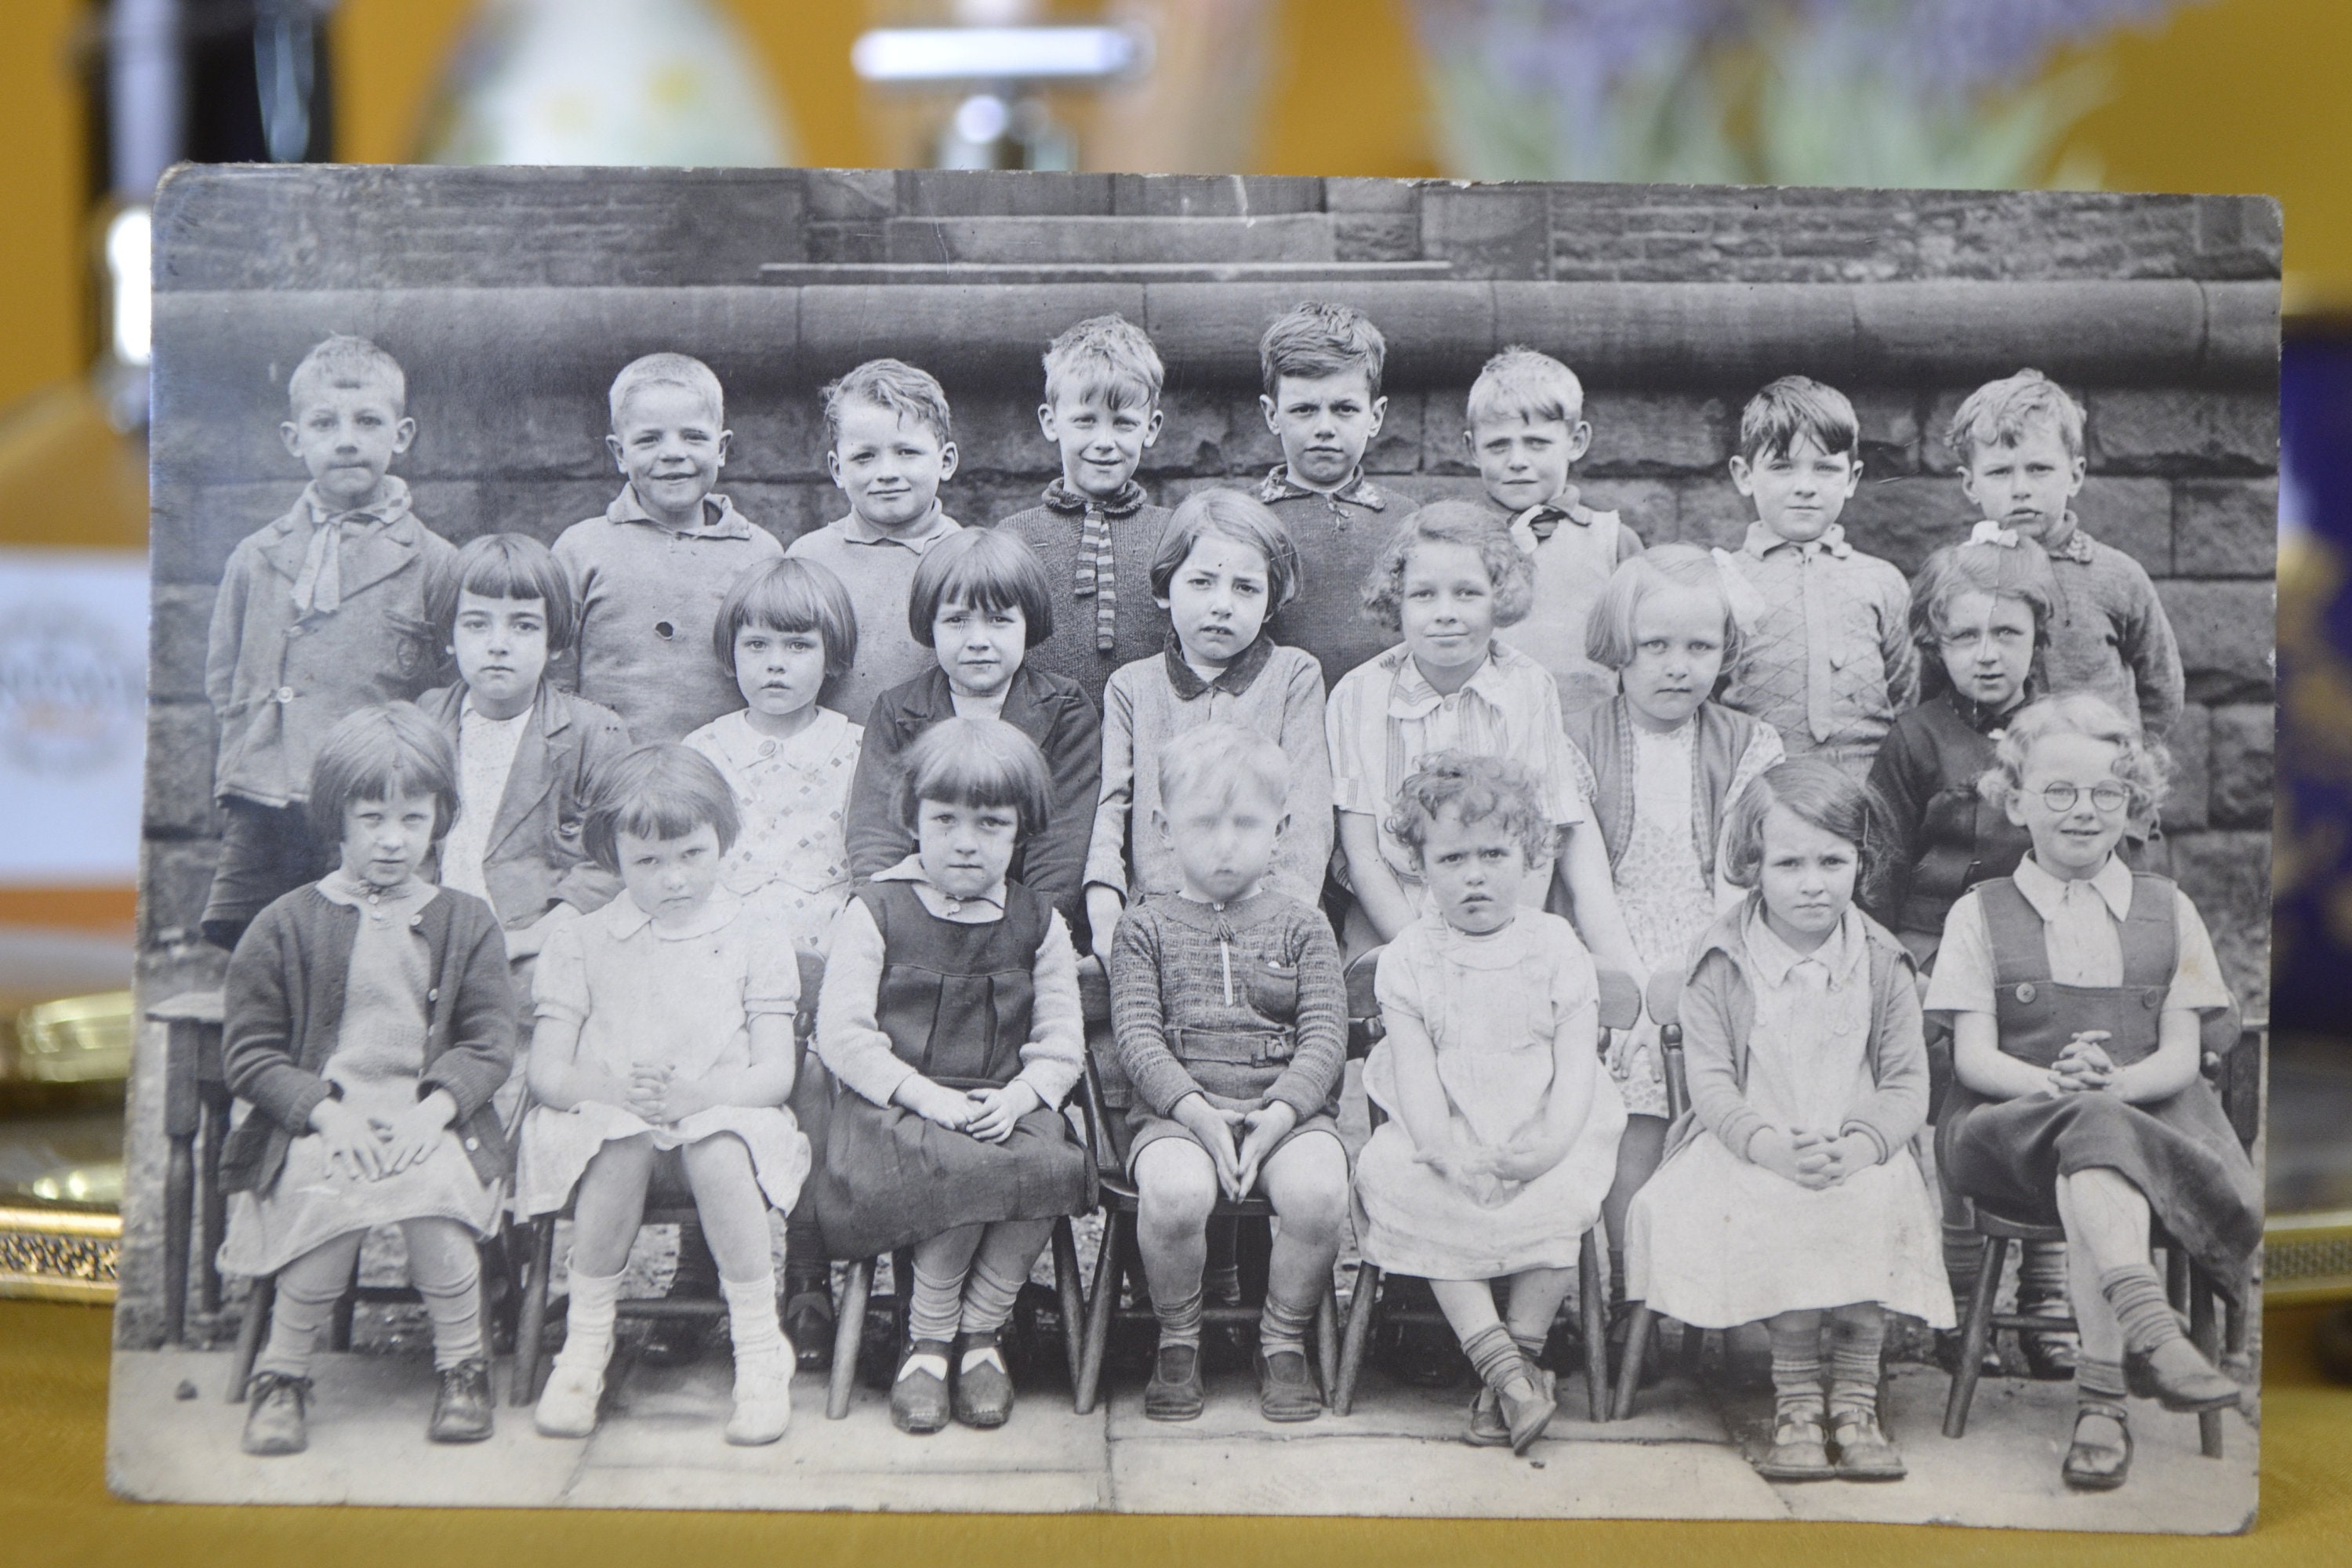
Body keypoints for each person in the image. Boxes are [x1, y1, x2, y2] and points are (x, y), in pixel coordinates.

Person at [1925, 694, 2258, 1492]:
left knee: (2100, 1144)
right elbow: (1975, 1057)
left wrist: (2113, 1083)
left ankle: (2104, 1401)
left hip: (2148, 1123)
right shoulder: (1980, 912)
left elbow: (2182, 1054)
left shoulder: (2167, 909)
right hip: (2010, 1127)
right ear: (2017, 800)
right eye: (2060, 792)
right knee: (2093, 1130)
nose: (2084, 811)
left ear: (2134, 802)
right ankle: (2144, 1338)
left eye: (2107, 792)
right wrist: (2057, 1083)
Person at [1627, 760, 1951, 1483]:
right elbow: (1710, 1084)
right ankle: (1799, 1401)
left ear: (1861, 862)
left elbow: (1905, 1084)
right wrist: (1768, 1144)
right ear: (1752, 865)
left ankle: (1857, 1403)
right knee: (1774, 1207)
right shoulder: (1721, 959)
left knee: (1872, 1201)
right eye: (1790, 863)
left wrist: (1863, 1143)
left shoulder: (1880, 961)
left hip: (1856, 1144)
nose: (1814, 882)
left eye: (1834, 862)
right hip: (1747, 1144)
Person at [216, 704, 515, 1456]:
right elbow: (250, 1055)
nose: (392, 839)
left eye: (413, 819)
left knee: (439, 1196)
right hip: (320, 1122)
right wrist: (325, 1114)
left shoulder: (466, 921)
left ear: (440, 819)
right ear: (336, 820)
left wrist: (434, 1112)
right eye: (372, 817)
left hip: (430, 1118)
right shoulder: (285, 922)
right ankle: (283, 1375)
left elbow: (488, 1044)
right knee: (327, 1189)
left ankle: (462, 1366)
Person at [518, 744, 808, 1447]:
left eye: (690, 854)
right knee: (620, 1140)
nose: (673, 879)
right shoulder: (582, 941)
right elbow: (548, 1073)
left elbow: (774, 1072)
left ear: (722, 842)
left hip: (725, 1115)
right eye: (647, 862)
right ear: (613, 857)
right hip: (606, 1124)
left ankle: (759, 1346)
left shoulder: (755, 932)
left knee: (713, 1143)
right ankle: (586, 1346)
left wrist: (699, 1096)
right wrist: (613, 1090)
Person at [811, 718, 1092, 1434]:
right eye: (945, 820)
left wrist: (1023, 1096)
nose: (965, 841)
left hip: (1004, 1105)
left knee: (1050, 1159)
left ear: (1020, 831)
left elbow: (1062, 1040)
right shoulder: (875, 910)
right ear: (912, 819)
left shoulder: (1038, 923)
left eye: (990, 823)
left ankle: (980, 1332)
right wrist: (927, 1096)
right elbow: (843, 1035)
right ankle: (930, 1342)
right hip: (895, 1110)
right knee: (965, 1161)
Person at [1352, 753, 1628, 1454]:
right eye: (1451, 858)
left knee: (1564, 1195)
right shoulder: (1410, 955)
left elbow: (1576, 1069)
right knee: (1407, 1183)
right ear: (1419, 865)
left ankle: (1522, 1357)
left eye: (1494, 853)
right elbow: (1413, 1072)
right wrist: (1442, 1148)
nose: (1474, 874)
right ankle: (1504, 1371)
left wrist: (1552, 1143)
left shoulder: (1555, 945)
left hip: (1544, 1117)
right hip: (1444, 1122)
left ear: (1531, 857)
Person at [1563, 545, 1781, 1337]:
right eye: (1656, 646)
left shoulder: (1746, 742)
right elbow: (1587, 883)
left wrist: (1695, 971)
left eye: (1701, 647)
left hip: (1716, 940)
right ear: (1619, 648)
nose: (1679, 667)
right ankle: (1635, 1292)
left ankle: (1729, 1286)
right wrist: (1634, 988)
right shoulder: (1578, 737)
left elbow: (1738, 876)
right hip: (1613, 941)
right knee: (1636, 1094)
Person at [1862, 532, 2067, 1375]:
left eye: (2007, 635)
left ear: (2037, 637)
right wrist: (1885, 965)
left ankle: (2047, 1294)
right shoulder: (1914, 739)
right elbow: (1880, 866)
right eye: (1966, 637)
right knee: (1947, 1110)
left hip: (2038, 956)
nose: (1987, 655)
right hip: (1930, 951)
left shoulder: (2069, 730)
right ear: (1935, 644)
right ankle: (1952, 1300)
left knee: (2051, 1101)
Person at [1110, 724, 1350, 1424]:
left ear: (1280, 830)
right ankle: (1179, 1333)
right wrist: (1196, 1114)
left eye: (1246, 824)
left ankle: (1281, 1336)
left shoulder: (1303, 926)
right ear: (1162, 827)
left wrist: (1279, 1115)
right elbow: (1137, 1037)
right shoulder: (1143, 927)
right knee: (1178, 1194)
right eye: (1203, 824)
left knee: (1318, 1193)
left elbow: (1325, 1035)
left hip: (1289, 1115)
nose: (1224, 843)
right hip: (1179, 1116)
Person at [200, 335, 456, 949]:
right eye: (325, 423)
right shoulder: (256, 556)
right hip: (265, 792)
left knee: (357, 945)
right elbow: (224, 674)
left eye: (368, 421)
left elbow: (444, 694)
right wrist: (250, 749)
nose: (347, 438)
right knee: (254, 945)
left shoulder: (434, 562)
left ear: (402, 435)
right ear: (295, 439)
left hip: (367, 801)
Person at [1324, 500, 1641, 982]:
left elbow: (1542, 836)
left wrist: (1505, 937)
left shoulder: (1529, 687)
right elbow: (1362, 850)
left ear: (1500, 597)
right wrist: (1418, 947)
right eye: (1423, 595)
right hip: (1392, 914)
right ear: (1397, 600)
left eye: (1468, 593)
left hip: (1506, 907)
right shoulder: (1357, 695)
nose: (1445, 613)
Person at [681, 555, 865, 1367]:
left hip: (830, 964)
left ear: (833, 656)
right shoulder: (706, 750)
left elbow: (872, 867)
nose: (776, 665)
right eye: (757, 646)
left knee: (818, 1087)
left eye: (797, 646)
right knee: (707, 1075)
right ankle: (707, 1268)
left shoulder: (858, 748)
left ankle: (810, 1276)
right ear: (732, 655)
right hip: (725, 967)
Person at [1086, 488, 1333, 960]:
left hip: (1268, 920)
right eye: (1202, 582)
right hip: (1156, 924)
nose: (1222, 605)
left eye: (1246, 588)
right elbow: (1110, 808)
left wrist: (1281, 921)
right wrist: (1105, 914)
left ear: (1271, 602)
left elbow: (1309, 816)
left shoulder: (1293, 677)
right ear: (1164, 589)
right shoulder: (1132, 686)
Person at [844, 528, 1098, 936]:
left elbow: (1062, 844)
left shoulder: (1065, 709)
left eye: (999, 620)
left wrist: (1036, 931)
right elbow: (877, 834)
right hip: (918, 919)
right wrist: (888, 921)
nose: (978, 641)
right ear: (931, 625)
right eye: (957, 621)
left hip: (1022, 922)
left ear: (1028, 623)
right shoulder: (898, 711)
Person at [416, 532, 632, 979]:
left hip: (542, 942)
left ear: (555, 641)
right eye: (477, 624)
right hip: (428, 934)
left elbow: (613, 861)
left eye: (524, 625)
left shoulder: (594, 733)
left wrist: (540, 935)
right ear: (449, 635)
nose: (499, 644)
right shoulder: (423, 723)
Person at [553, 353, 784, 743]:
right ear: (619, 454)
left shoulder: (760, 553)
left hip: (726, 776)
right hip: (609, 777)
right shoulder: (580, 549)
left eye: (693, 436)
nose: (673, 452)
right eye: (649, 439)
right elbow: (555, 682)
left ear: (722, 448)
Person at [1945, 368, 2183, 739]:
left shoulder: (2119, 576)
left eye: (2039, 469)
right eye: (1999, 472)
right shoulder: (1957, 580)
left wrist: (2125, 762)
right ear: (1970, 484)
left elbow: (2162, 689)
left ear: (2075, 475)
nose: (2020, 488)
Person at [1715, 376, 1918, 779]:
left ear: (1852, 479)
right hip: (1761, 793)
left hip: (1868, 792)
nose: (1804, 487)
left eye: (1825, 468)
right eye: (1782, 467)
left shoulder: (1882, 581)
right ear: (1744, 475)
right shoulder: (1722, 579)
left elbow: (1906, 697)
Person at [993, 314, 1178, 704]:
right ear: (1050, 422)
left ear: (1152, 428)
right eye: (1085, 421)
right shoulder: (1013, 537)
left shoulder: (1176, 533)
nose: (1104, 442)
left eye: (1124, 423)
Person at [1461, 345, 1645, 717]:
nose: (1517, 462)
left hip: (1587, 737)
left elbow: (1645, 654)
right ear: (1472, 450)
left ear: (1576, 442)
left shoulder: (1613, 542)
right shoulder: (1455, 542)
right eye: (1498, 445)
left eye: (1536, 443)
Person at [786, 358, 967, 725]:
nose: (886, 473)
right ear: (837, 469)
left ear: (946, 461)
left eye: (907, 452)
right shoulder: (807, 558)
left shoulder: (967, 556)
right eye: (865, 457)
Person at [1254, 300, 1417, 687]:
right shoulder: (1242, 518)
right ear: (1272, 415)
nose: (1324, 427)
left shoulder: (1408, 521)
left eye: (1344, 409)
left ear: (1375, 417)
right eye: (1304, 410)